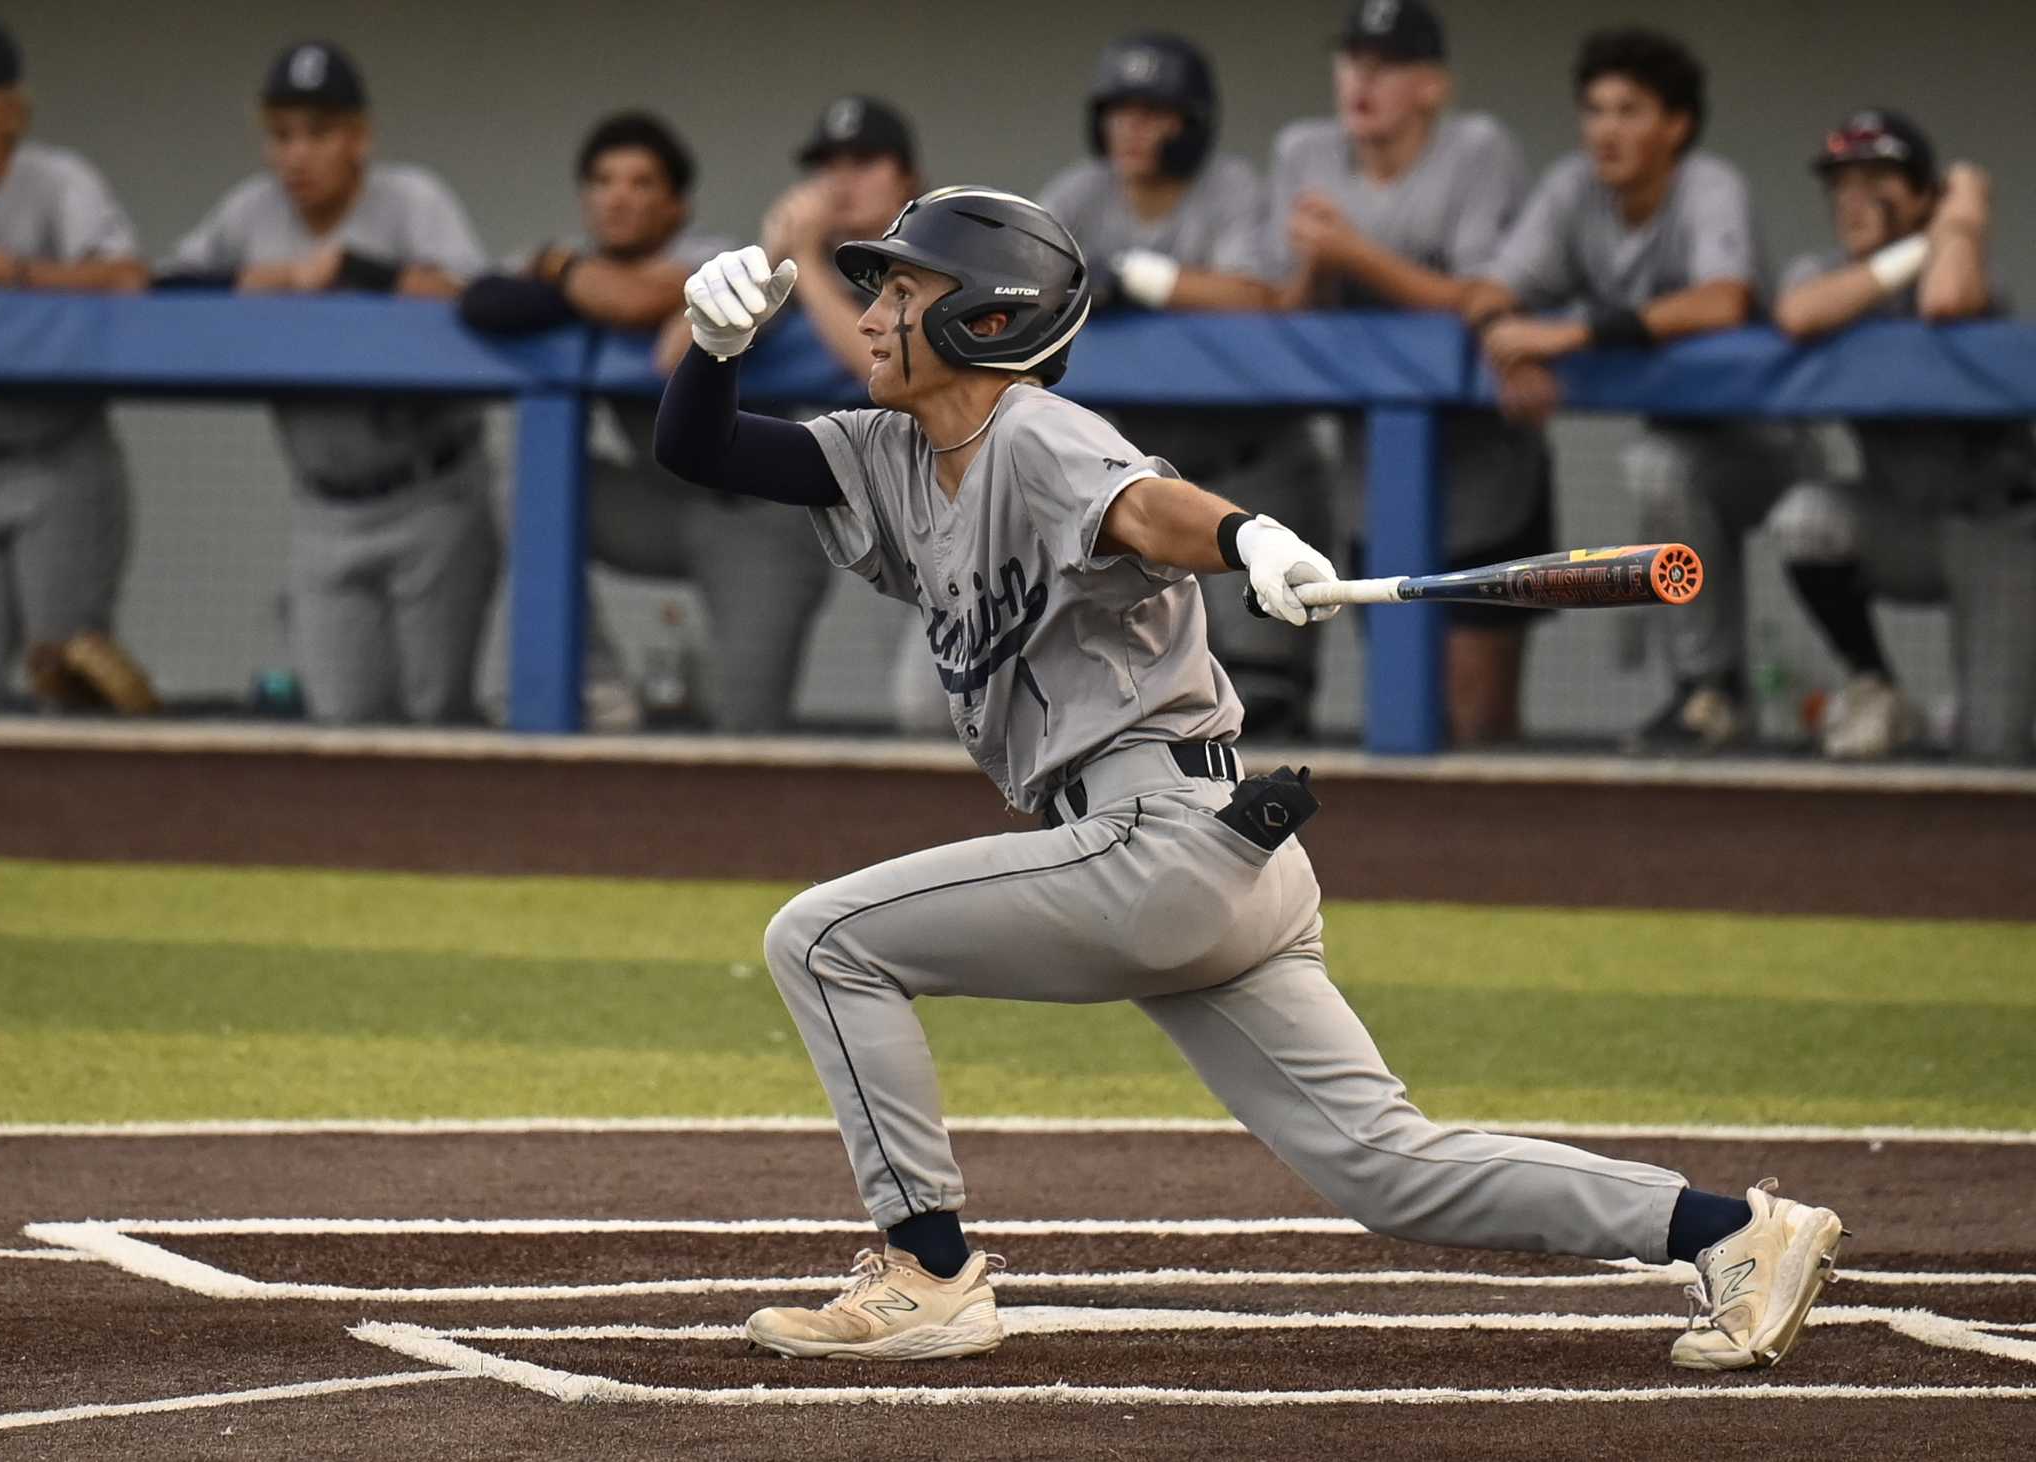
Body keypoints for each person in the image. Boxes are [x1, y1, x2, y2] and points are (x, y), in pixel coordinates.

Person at [654, 187, 1846, 1371]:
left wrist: (1247, 539)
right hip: (1215, 851)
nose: (867, 314)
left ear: (984, 318)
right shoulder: (893, 454)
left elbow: (1144, 506)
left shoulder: (1032, 430)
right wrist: (711, 351)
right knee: (1387, 1169)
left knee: (824, 941)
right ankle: (1736, 1230)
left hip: (1153, 837)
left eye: (902, 291)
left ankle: (927, 1270)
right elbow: (700, 447)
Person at [1460, 27, 1797, 753]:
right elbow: (1490, 287)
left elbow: (1724, 300)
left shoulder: (1710, 186)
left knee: (1683, 475)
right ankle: (1708, 694)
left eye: (1630, 111)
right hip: (1682, 446)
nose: (1606, 130)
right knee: (1661, 466)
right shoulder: (1572, 189)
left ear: (1676, 125)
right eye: (1596, 110)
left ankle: (1808, 686)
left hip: (1773, 444)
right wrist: (1506, 344)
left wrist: (1575, 333)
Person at [157, 41, 496, 725]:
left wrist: (357, 274)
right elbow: (163, 283)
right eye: (281, 136)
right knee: (342, 723)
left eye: (318, 134)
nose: (296, 156)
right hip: (324, 508)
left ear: (359, 138)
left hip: (431, 493)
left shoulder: (411, 200)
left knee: (437, 718)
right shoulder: (251, 213)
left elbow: (475, 300)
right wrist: (282, 279)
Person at [458, 111, 828, 733]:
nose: (618, 199)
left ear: (677, 206)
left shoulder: (719, 256)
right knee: (531, 479)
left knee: (745, 735)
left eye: (641, 184)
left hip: (756, 521)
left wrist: (566, 276)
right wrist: (582, 283)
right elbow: (481, 300)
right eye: (603, 182)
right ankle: (596, 686)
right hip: (658, 504)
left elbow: (646, 314)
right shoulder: (580, 264)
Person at [1267, 0, 1548, 744]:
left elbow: (1479, 294)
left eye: (1386, 65)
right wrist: (1315, 267)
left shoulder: (1477, 149)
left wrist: (1354, 253)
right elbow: (1287, 311)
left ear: (1431, 85)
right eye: (1353, 60)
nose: (1362, 78)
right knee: (1399, 707)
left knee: (1476, 718)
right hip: (1373, 483)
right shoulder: (1305, 151)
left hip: (1485, 474)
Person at [1038, 33, 1324, 740]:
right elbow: (1018, 281)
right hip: (1138, 489)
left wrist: (1136, 276)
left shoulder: (1230, 189)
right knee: (1136, 704)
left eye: (1154, 112)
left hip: (1252, 467)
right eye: (1120, 111)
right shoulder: (1079, 193)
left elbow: (1257, 295)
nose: (1131, 129)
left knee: (1266, 700)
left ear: (1190, 122)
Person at [1770, 110, 2036, 763]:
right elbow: (1798, 313)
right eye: (1842, 183)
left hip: (1995, 531)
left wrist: (1961, 220)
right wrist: (1922, 240)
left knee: (1991, 749)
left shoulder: (1966, 266)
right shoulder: (1824, 270)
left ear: (1922, 197)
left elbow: (1945, 300)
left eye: (1876, 183)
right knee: (1803, 519)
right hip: (1903, 526)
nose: (1852, 200)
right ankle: (1876, 685)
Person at [761, 95, 946, 732]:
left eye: (864, 161)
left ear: (908, 179)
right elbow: (674, 356)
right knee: (896, 722)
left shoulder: (944, 251)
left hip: (963, 512)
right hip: (873, 513)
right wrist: (770, 260)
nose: (842, 180)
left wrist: (804, 262)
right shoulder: (811, 270)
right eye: (828, 164)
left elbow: (874, 360)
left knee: (931, 710)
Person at [0, 16, 156, 714]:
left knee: (66, 676)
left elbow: (127, 278)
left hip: (57, 455)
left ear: (11, 109)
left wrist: (18, 273)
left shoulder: (58, 182)